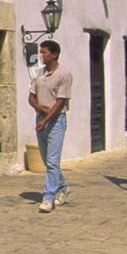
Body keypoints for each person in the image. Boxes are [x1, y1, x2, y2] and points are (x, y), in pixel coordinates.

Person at [29, 40, 72, 213]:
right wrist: (38, 107)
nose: (41, 55)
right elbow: (31, 96)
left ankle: (48, 197)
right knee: (48, 160)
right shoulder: (38, 73)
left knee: (53, 161)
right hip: (41, 119)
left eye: (45, 52)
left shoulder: (64, 75)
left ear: (54, 54)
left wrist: (45, 121)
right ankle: (63, 187)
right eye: (41, 52)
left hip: (56, 121)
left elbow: (61, 102)